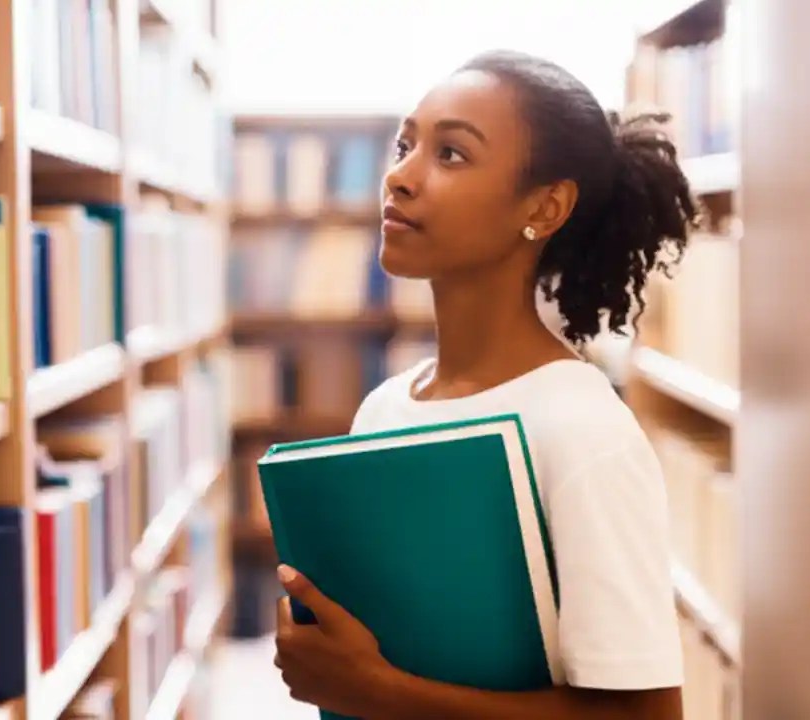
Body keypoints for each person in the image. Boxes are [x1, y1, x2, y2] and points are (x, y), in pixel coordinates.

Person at [272, 50, 696, 719]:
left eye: (451, 154)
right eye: (405, 146)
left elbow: (647, 716)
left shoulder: (584, 431)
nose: (399, 177)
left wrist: (378, 693)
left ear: (546, 207)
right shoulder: (383, 411)